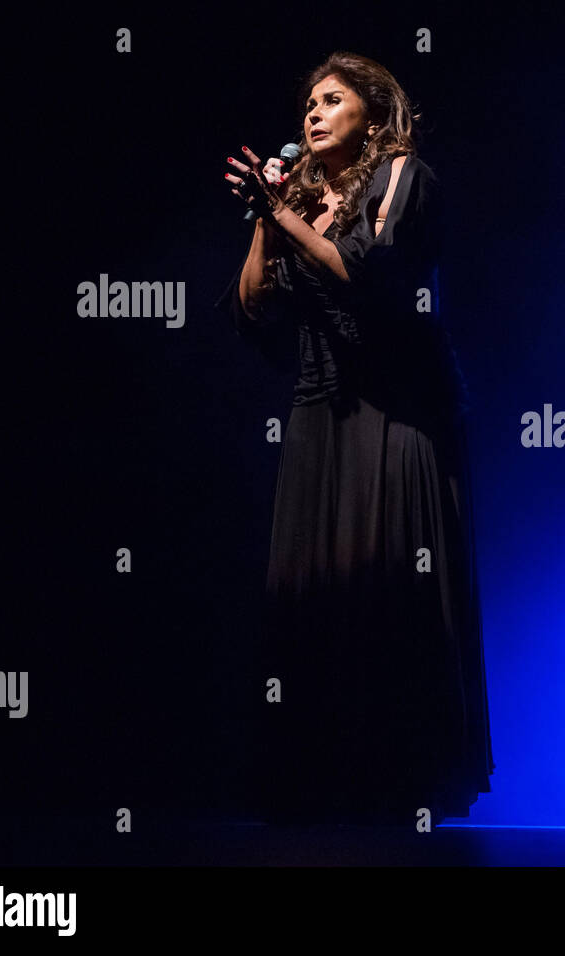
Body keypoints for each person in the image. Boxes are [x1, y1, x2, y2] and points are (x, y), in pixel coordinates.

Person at [214, 52, 494, 826]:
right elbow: (251, 312)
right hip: (319, 407)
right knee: (316, 588)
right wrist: (266, 219)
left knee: (390, 585)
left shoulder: (401, 172)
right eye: (306, 103)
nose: (311, 112)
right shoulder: (299, 197)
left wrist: (281, 215)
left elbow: (371, 273)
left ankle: (401, 775)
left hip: (399, 409)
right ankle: (316, 773)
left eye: (331, 100)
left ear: (371, 112)